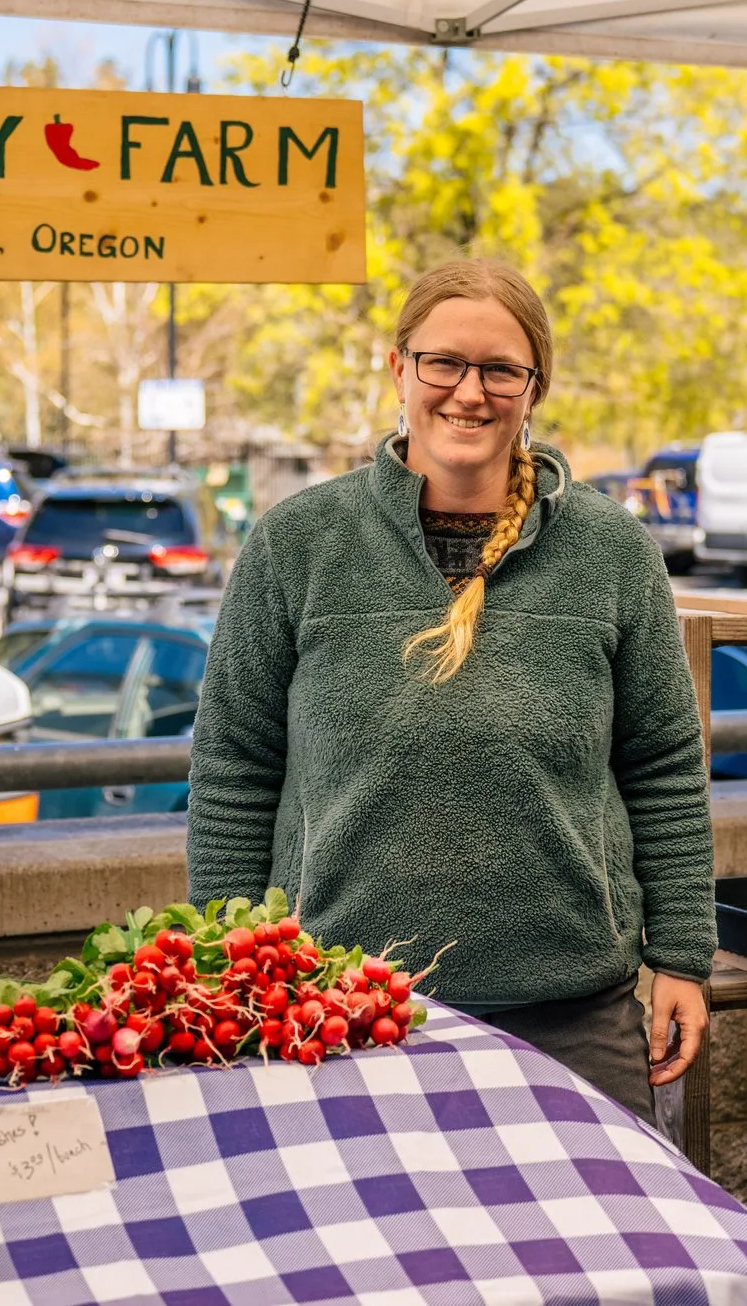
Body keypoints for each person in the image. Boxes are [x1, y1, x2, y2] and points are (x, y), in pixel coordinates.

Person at [187, 258, 713, 1115]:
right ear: (399, 368)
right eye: (444, 363)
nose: (470, 392)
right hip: (336, 1011)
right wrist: (228, 959)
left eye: (501, 369)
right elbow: (234, 768)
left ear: (534, 387)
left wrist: (683, 954)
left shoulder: (613, 553)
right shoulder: (298, 544)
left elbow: (663, 765)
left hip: (574, 1015)